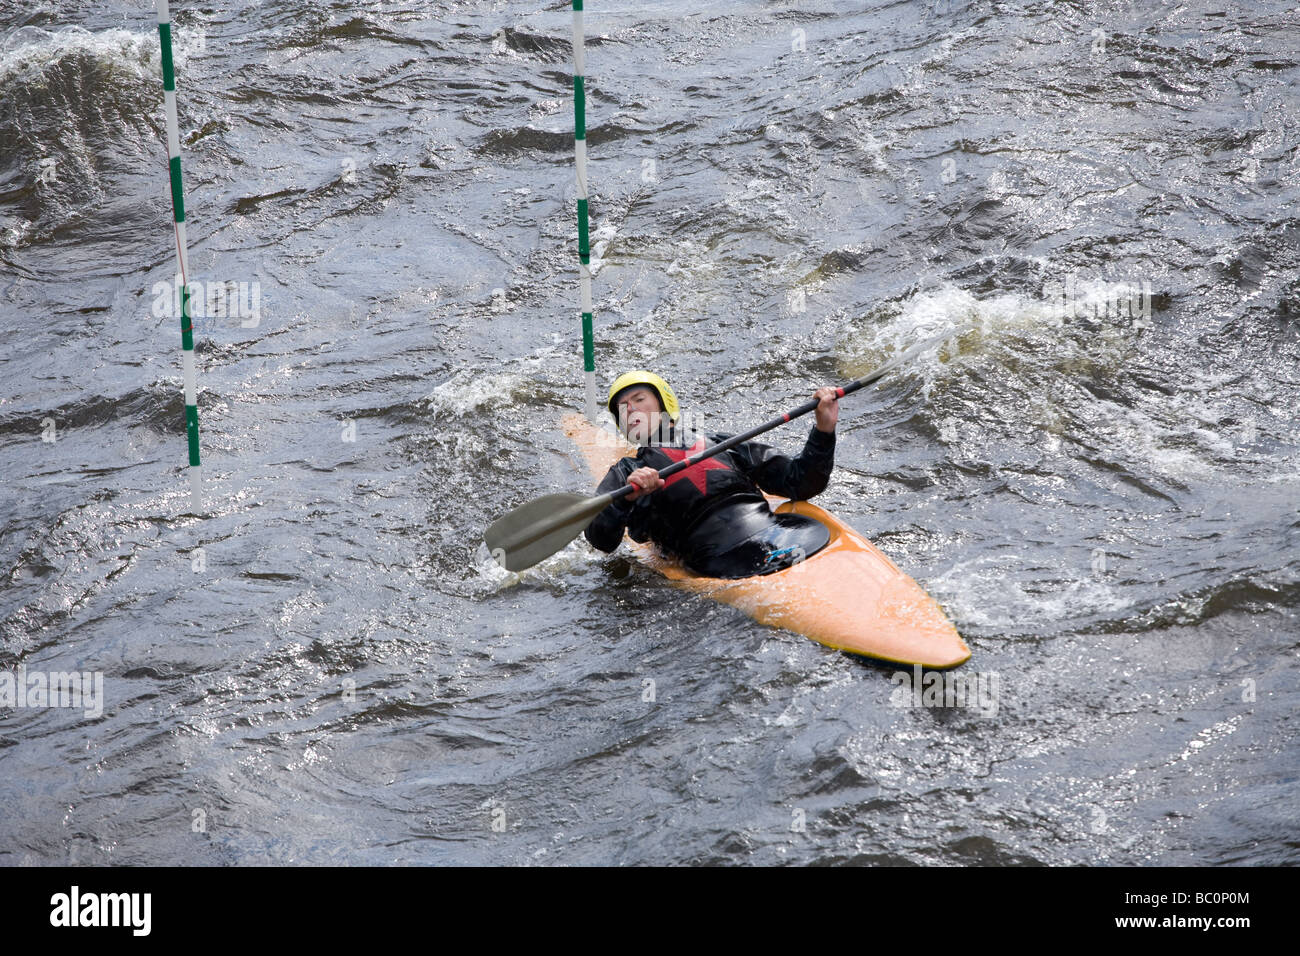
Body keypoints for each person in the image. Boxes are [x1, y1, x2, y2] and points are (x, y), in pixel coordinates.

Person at [584, 370, 840, 578]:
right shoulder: (628, 473)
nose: (630, 409)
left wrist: (823, 430)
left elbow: (801, 482)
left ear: (664, 404)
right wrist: (624, 500)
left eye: (639, 399)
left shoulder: (722, 443)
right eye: (623, 408)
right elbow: (600, 539)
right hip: (712, 558)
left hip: (776, 533)